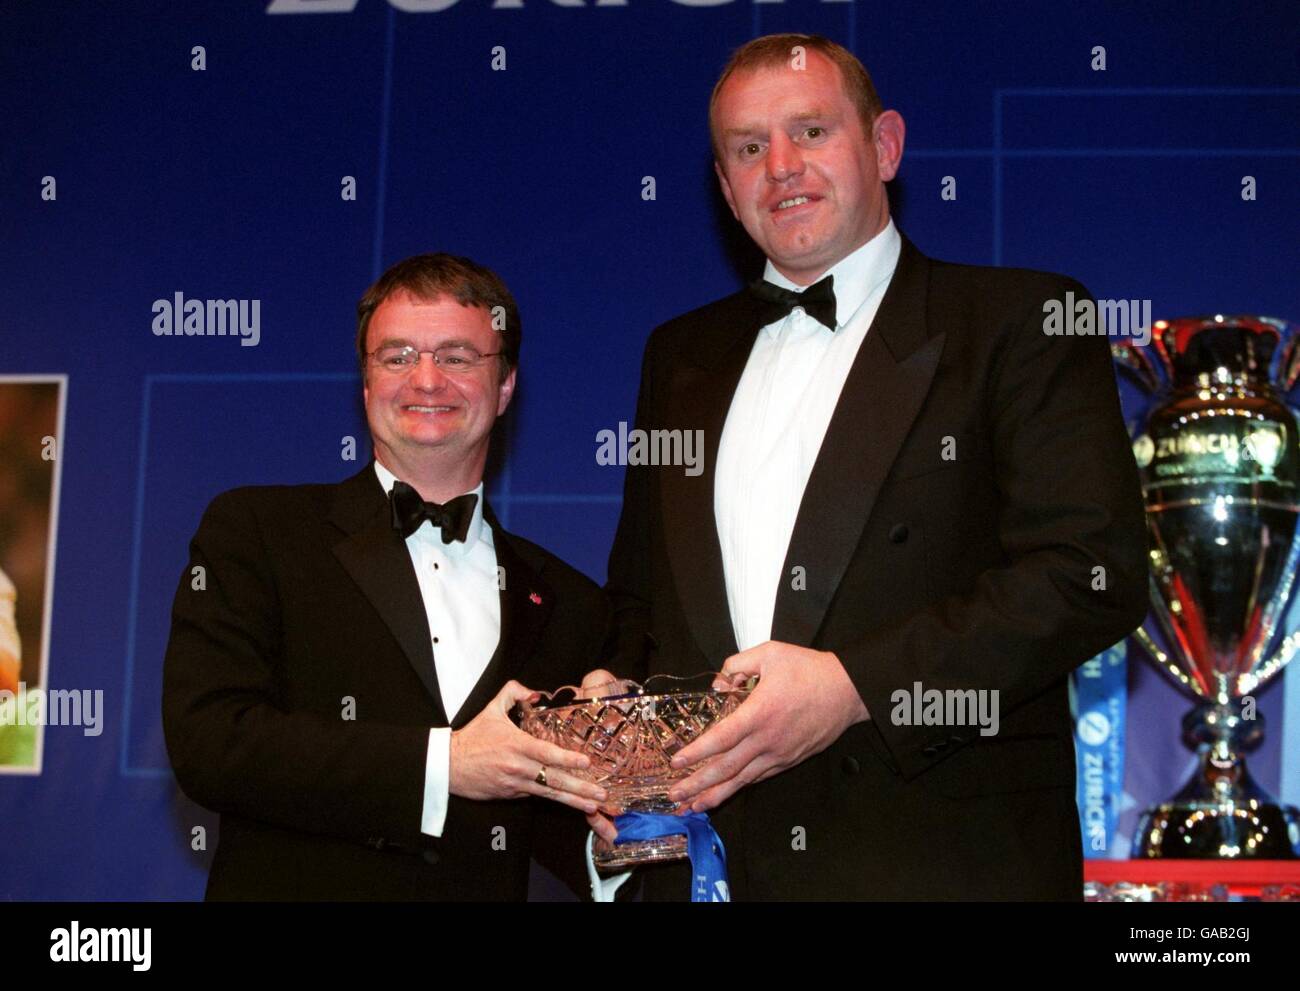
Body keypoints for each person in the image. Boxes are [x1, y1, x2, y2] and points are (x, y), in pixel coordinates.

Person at [594, 34, 1149, 900]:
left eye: (811, 132)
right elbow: (640, 598)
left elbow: (1090, 573)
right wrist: (615, 713)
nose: (780, 166)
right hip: (711, 869)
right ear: (723, 184)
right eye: (749, 148)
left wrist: (853, 686)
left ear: (885, 146)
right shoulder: (678, 356)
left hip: (937, 862)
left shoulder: (1023, 318)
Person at [163, 253, 611, 900]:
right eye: (397, 356)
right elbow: (211, 742)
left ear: (506, 383)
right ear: (366, 382)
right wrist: (443, 763)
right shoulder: (258, 531)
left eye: (458, 356)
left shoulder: (570, 601)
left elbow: (550, 823)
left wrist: (612, 839)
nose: (426, 380)